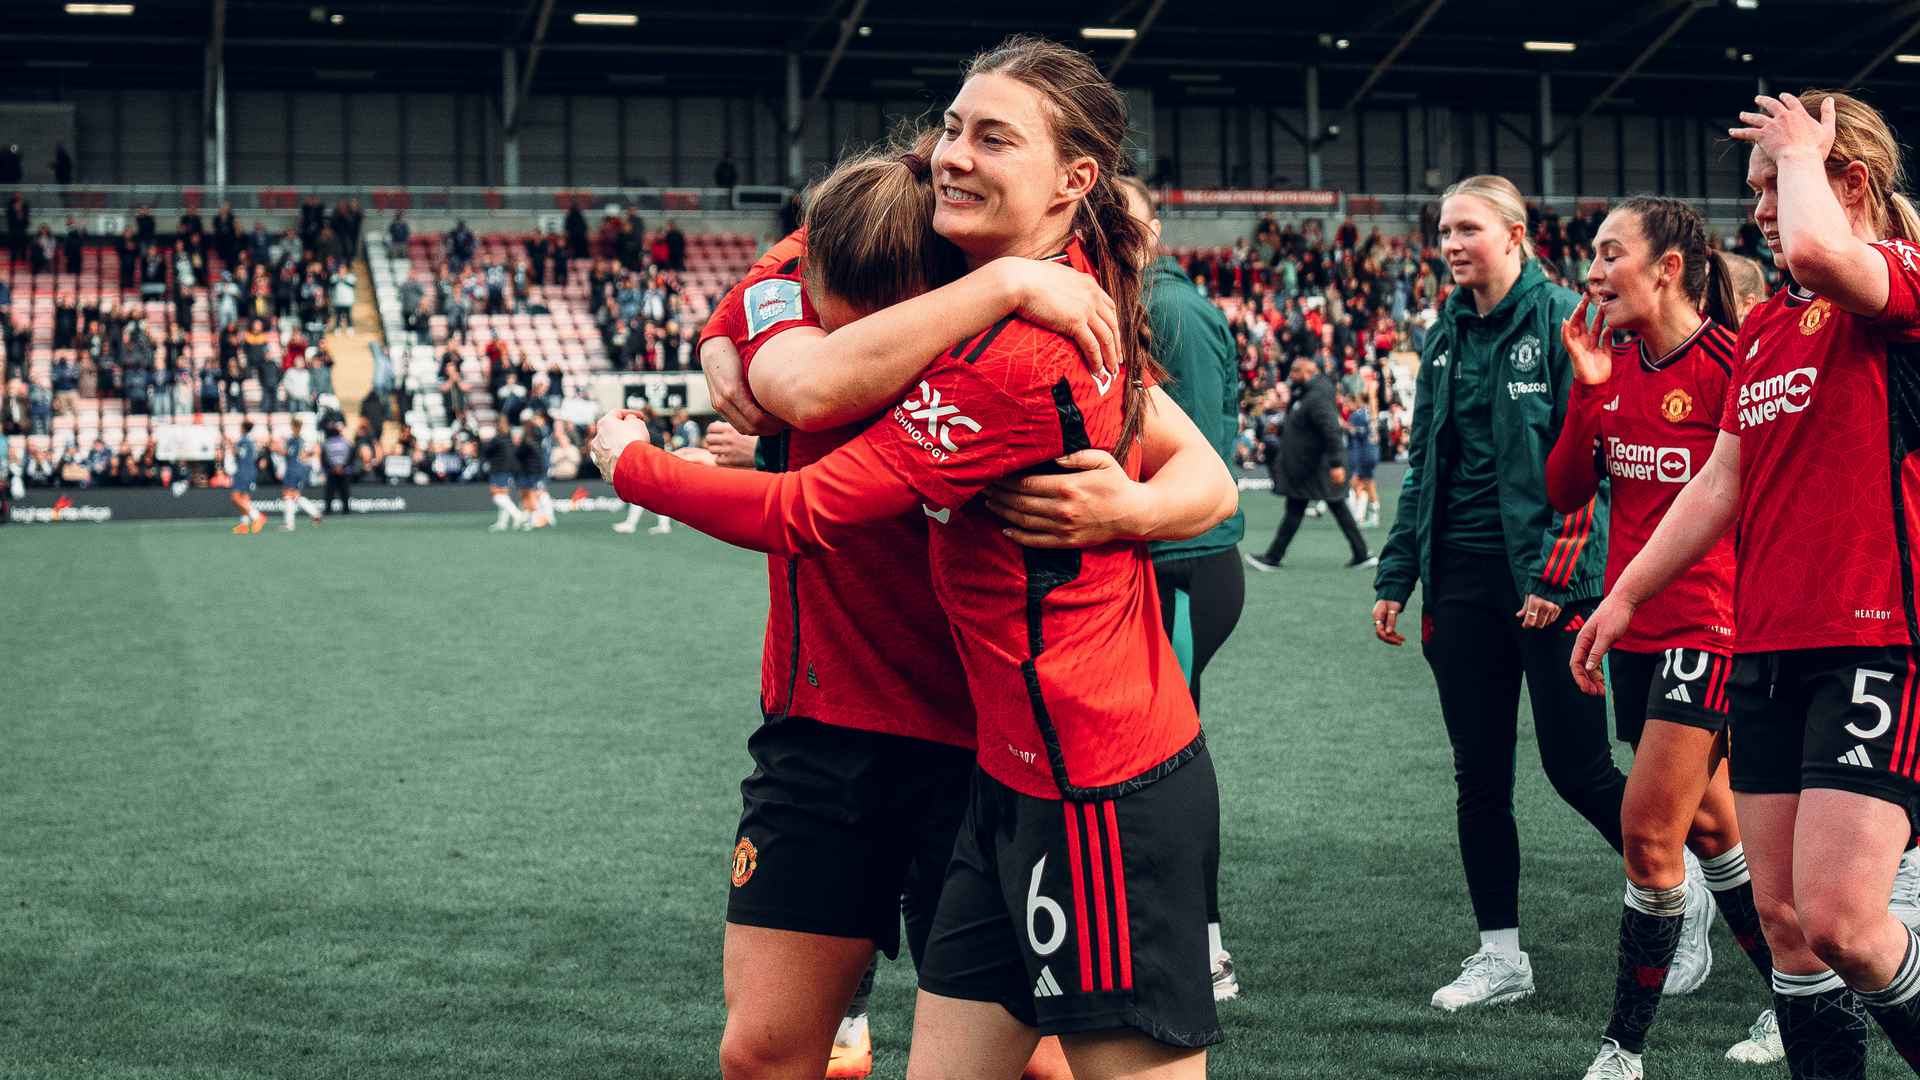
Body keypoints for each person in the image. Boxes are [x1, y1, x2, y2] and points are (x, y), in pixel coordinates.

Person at [597, 35, 1235, 1080]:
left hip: (1043, 758)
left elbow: (1204, 472)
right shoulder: (924, 235)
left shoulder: (1033, 325)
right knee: (775, 1051)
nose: (956, 155)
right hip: (901, 739)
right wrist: (732, 337)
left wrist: (1134, 506)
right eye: (950, 128)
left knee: (1051, 1065)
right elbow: (782, 326)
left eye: (993, 137)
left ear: (1072, 179)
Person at [1574, 89, 1920, 1079]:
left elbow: (1819, 252)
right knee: (1789, 928)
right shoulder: (1768, 325)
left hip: (1875, 640)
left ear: (1849, 180)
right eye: (1759, 189)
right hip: (1767, 648)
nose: (1760, 209)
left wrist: (1803, 154)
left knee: (1845, 920)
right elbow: (1721, 480)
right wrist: (1626, 593)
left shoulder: (1900, 275)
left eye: (1774, 184)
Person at [1371, 174, 1631, 1012]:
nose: (1450, 244)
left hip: (1552, 585)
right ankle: (1501, 956)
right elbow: (1423, 463)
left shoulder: (1565, 321)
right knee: (1478, 777)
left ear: (1515, 235)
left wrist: (1556, 572)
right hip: (1461, 582)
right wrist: (1398, 573)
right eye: (1444, 230)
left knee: (1578, 770)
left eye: (1468, 229)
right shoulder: (1442, 333)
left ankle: (1684, 884)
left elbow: (1594, 456)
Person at [1544, 197, 1779, 1077]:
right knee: (1713, 833)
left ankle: (1622, 1051)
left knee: (1648, 837)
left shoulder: (1731, 362)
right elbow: (1566, 491)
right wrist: (1586, 390)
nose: (1593, 272)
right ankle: (1799, 995)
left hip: (1712, 630)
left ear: (1669, 267)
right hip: (1634, 629)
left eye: (1611, 253)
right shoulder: (1612, 366)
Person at [1247, 356, 1374, 570]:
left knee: (1313, 508)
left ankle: (1273, 557)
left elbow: (1331, 430)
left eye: (1295, 371)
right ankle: (1361, 554)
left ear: (1306, 372)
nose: (1291, 375)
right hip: (1310, 466)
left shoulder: (1316, 396)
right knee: (1314, 508)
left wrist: (1336, 464)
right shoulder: (1308, 393)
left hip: (1317, 466)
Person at [277, 419, 326, 532]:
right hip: (299, 470)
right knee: (294, 495)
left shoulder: (293, 440)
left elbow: (289, 454)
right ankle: (315, 514)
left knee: (289, 495)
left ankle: (290, 524)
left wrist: (278, 449)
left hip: (293, 470)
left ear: (293, 427)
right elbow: (306, 454)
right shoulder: (300, 440)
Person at [229, 422, 266, 535]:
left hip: (243, 471)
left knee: (235, 498)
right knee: (244, 498)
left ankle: (257, 516)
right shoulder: (251, 441)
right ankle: (244, 525)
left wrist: (231, 445)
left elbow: (239, 454)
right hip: (250, 471)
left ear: (243, 429)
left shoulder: (243, 441)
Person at [320, 422, 353, 516]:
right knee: (344, 491)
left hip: (332, 471)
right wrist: (343, 467)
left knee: (330, 491)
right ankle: (346, 509)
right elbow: (351, 456)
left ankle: (328, 510)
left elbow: (324, 458)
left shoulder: (326, 443)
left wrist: (332, 468)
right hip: (344, 471)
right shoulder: (346, 442)